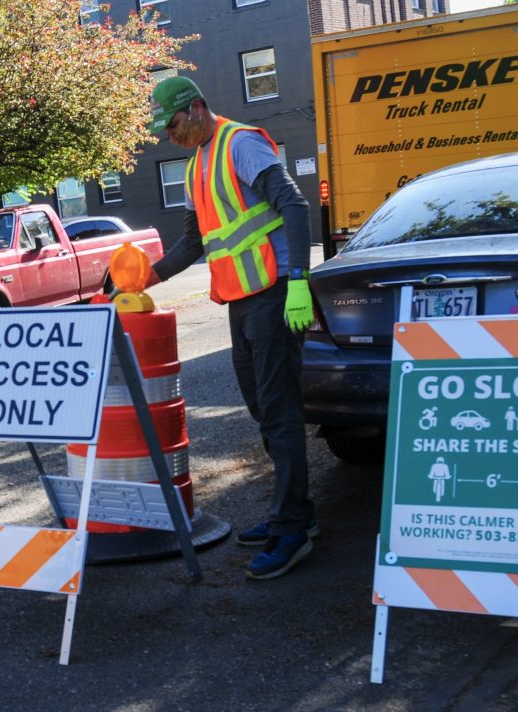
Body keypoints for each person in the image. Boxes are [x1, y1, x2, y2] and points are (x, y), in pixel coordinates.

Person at [144, 76, 317, 580]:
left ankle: (293, 530)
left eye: (173, 124)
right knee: (263, 408)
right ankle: (296, 512)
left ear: (197, 108)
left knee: (280, 413)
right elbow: (193, 242)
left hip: (275, 294)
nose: (169, 136)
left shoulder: (240, 144)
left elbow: (294, 205)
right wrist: (147, 276)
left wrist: (300, 280)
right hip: (241, 300)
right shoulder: (195, 165)